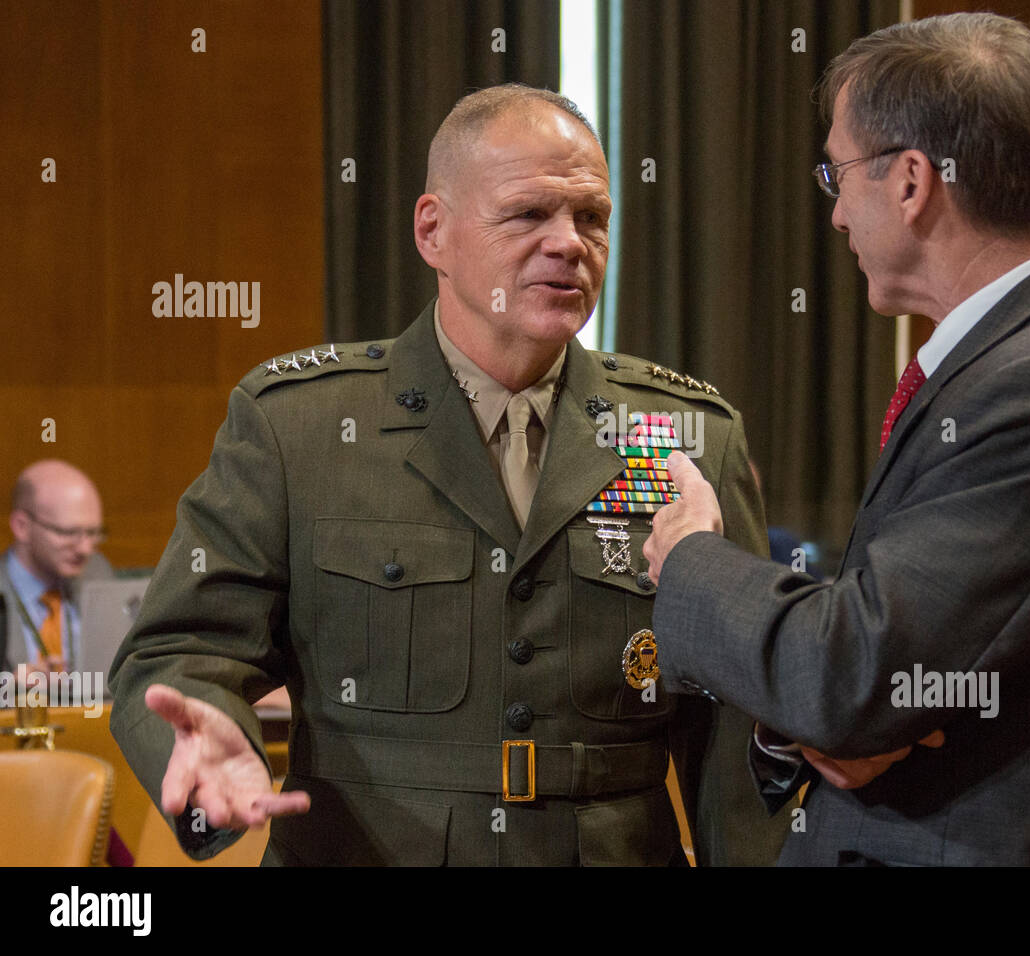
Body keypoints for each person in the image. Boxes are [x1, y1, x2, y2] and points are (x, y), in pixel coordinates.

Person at [108, 84, 786, 865]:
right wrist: (198, 745)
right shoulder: (301, 428)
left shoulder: (683, 438)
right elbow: (180, 651)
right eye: (528, 214)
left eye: (592, 217)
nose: (569, 243)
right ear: (433, 231)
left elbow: (734, 720)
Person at [644, 13, 1030, 865]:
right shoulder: (1024, 360)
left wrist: (688, 556)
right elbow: (900, 669)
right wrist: (840, 720)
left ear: (910, 182)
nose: (835, 215)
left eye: (837, 173)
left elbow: (851, 675)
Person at [2, 460, 112, 675]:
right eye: (68, 533)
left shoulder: (98, 573)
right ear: (22, 527)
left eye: (93, 533)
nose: (85, 549)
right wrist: (7, 687)